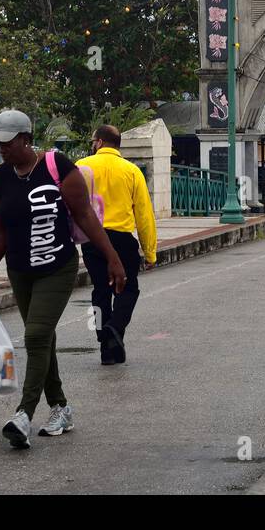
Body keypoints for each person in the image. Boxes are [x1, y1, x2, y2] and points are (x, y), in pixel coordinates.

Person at [0, 110, 126, 449]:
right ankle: (60, 407)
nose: (1, 148)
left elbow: (85, 215)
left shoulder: (58, 167)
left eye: (7, 142)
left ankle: (23, 414)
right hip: (20, 270)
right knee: (43, 339)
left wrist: (113, 258)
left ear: (26, 139)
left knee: (37, 334)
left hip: (57, 267)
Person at [75, 124, 157, 365]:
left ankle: (106, 346)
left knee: (100, 290)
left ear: (99, 142)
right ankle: (114, 327)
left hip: (92, 239)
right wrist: (150, 252)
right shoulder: (131, 171)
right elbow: (144, 215)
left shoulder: (81, 168)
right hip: (122, 239)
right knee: (127, 289)